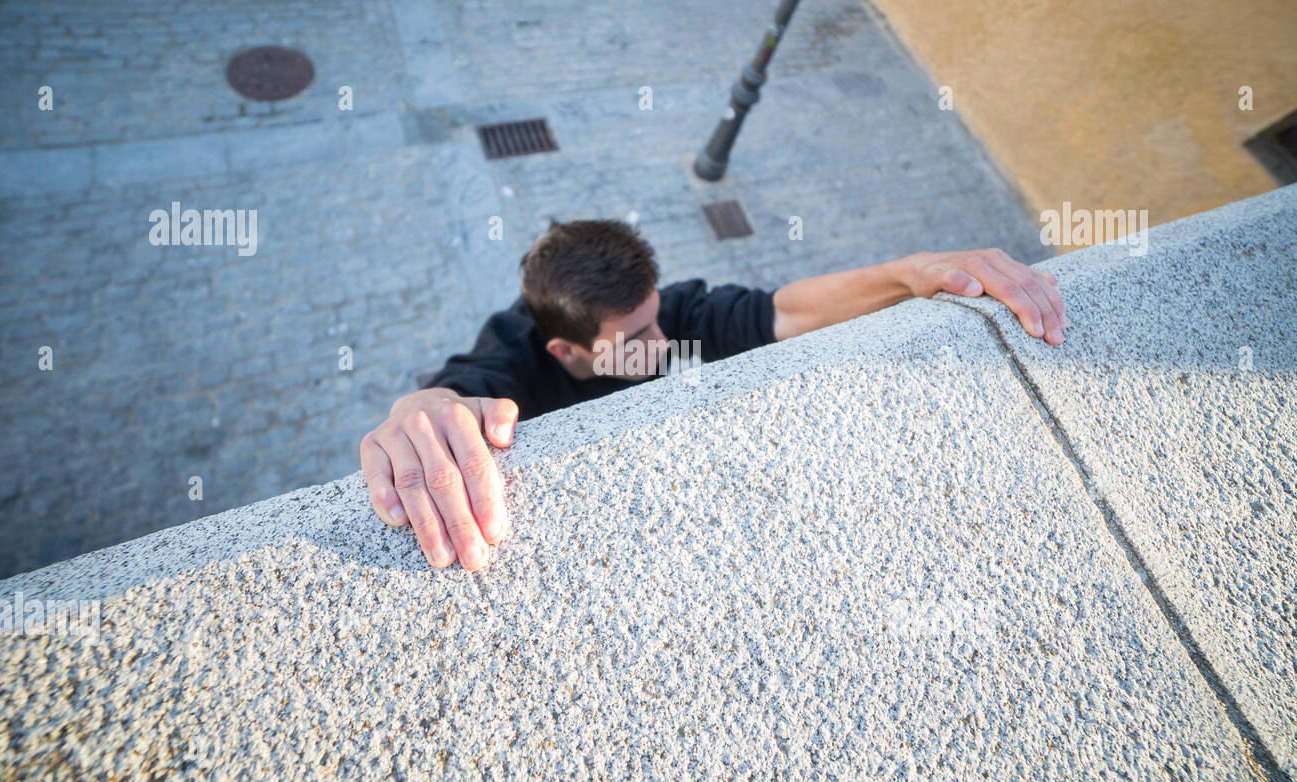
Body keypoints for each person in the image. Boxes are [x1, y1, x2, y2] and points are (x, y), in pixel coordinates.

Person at [360, 218, 1067, 571]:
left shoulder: (675, 325)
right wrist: (416, 413)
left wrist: (914, 273)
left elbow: (784, 311)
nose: (666, 345)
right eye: (635, 337)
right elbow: (450, 399)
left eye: (657, 316)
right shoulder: (512, 359)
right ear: (565, 352)